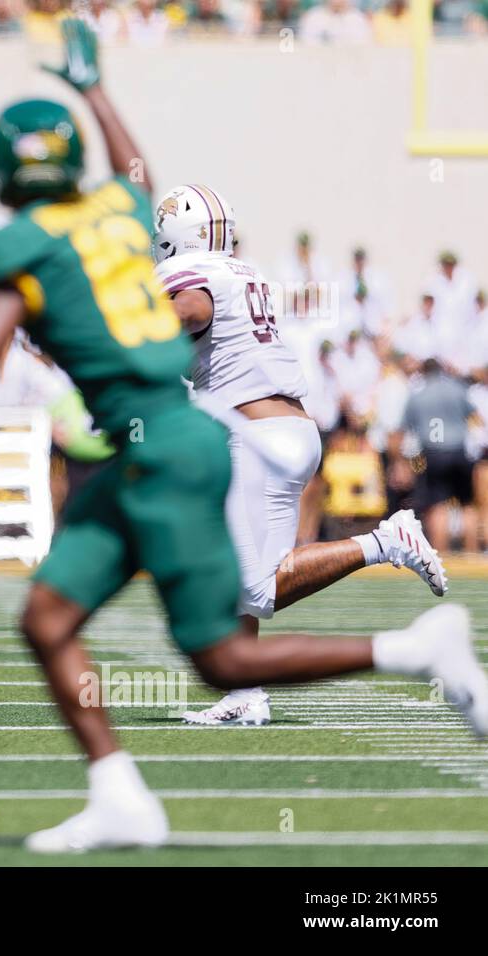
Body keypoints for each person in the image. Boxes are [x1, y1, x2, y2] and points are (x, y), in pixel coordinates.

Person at [0, 19, 487, 852]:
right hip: (193, 439)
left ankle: (414, 648)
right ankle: (122, 794)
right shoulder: (119, 213)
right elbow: (139, 176)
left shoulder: (20, 249)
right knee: (57, 618)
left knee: (224, 632)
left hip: (175, 447)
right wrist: (97, 90)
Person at [153, 183, 446, 726]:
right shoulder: (246, 271)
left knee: (255, 589)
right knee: (244, 572)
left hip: (257, 438)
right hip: (286, 430)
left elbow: (189, 312)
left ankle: (385, 541)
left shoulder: (189, 277)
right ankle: (246, 693)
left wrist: (130, 330)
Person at [394, 358, 479, 553]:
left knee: (437, 506)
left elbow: (402, 430)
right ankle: (473, 556)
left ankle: (442, 557)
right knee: (467, 504)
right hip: (459, 452)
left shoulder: (417, 395)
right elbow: (475, 417)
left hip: (434, 454)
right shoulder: (458, 389)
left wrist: (400, 462)